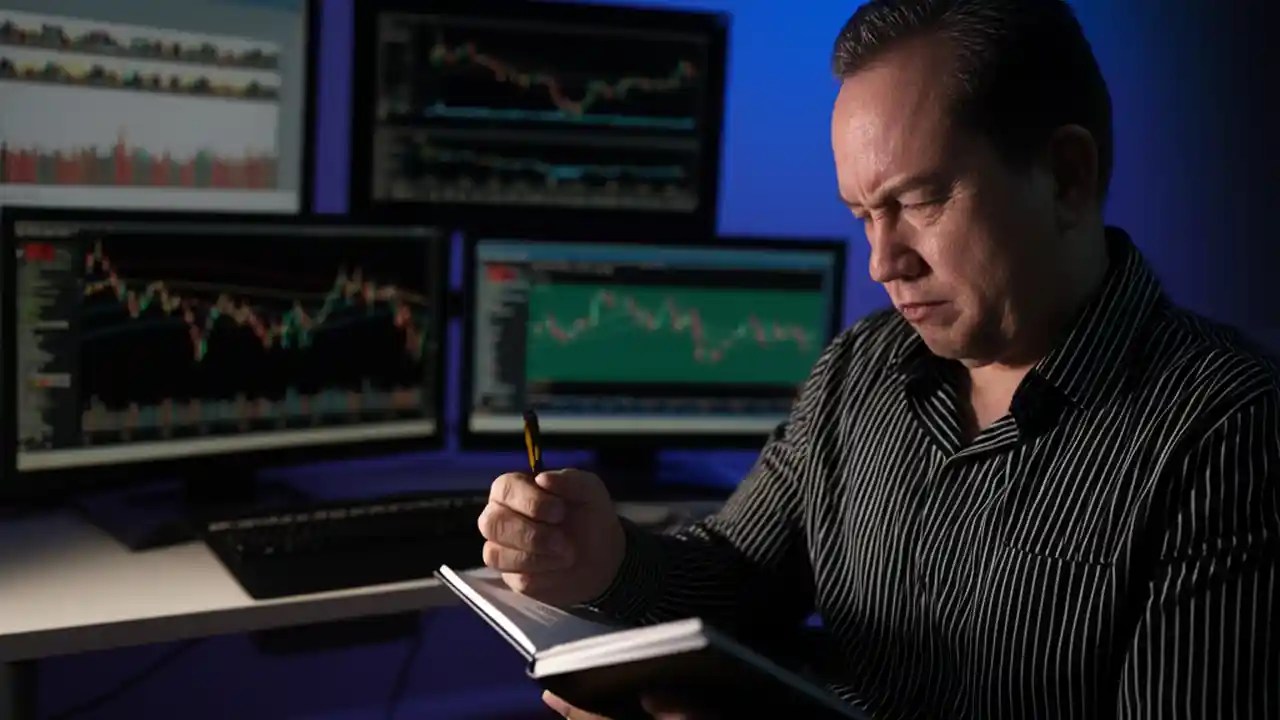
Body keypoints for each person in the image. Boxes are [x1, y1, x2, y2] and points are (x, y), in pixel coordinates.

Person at [477, 0, 1280, 717]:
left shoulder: (1229, 435)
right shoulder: (859, 368)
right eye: (864, 216)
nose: (882, 263)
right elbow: (741, 576)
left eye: (919, 201)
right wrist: (606, 560)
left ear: (1067, 177)